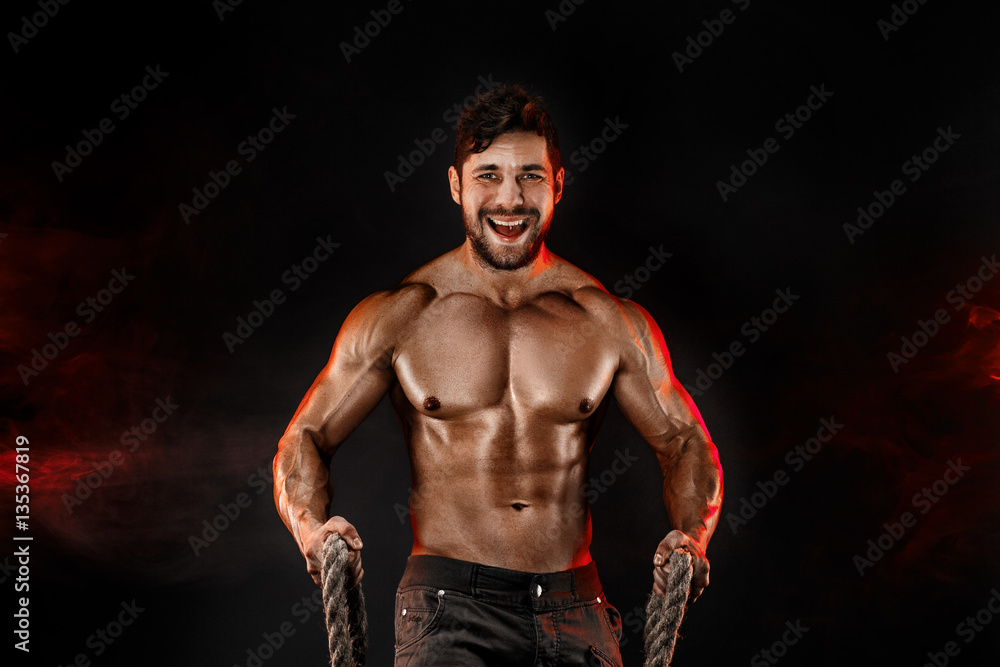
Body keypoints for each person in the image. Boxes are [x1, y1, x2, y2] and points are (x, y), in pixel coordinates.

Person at [273, 83, 723, 666]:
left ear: (558, 185)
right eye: (488, 175)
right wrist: (312, 530)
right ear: (457, 184)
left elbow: (686, 440)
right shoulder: (402, 314)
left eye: (530, 176)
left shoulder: (607, 320)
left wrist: (692, 533)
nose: (509, 199)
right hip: (447, 611)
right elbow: (302, 438)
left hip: (573, 608)